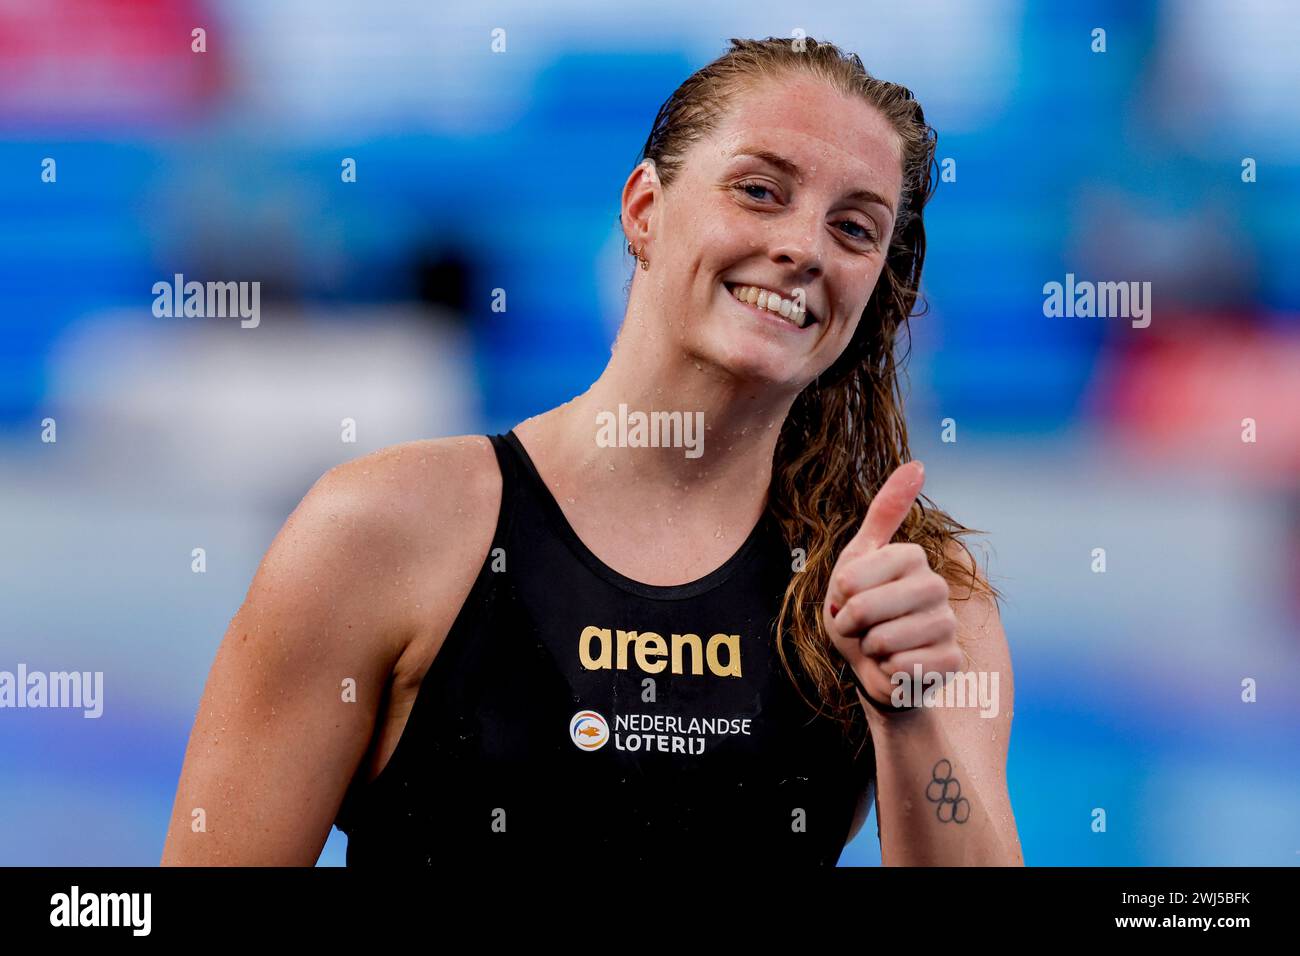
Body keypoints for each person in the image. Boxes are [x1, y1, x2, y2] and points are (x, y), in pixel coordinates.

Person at [161, 36, 1023, 867]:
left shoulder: (916, 599)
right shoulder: (382, 530)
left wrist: (906, 716)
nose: (803, 248)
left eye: (855, 228)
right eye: (760, 191)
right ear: (645, 210)